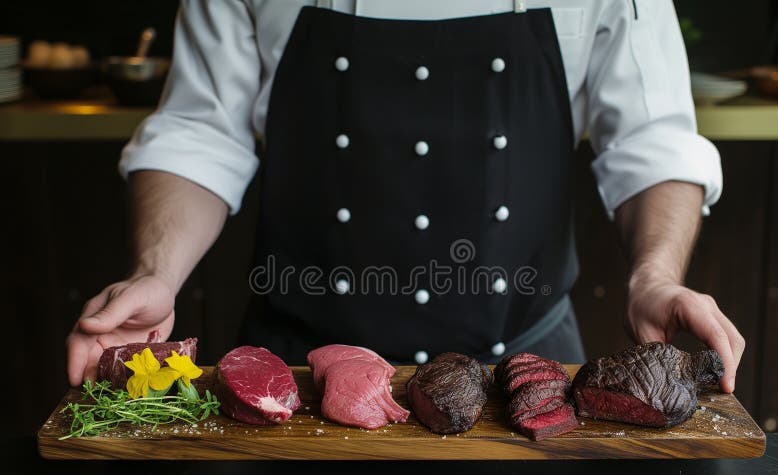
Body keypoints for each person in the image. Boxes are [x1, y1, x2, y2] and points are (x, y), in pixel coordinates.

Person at [66, 0, 744, 393]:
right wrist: (157, 272)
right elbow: (199, 131)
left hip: (526, 376)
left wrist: (655, 275)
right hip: (296, 377)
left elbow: (653, 140)